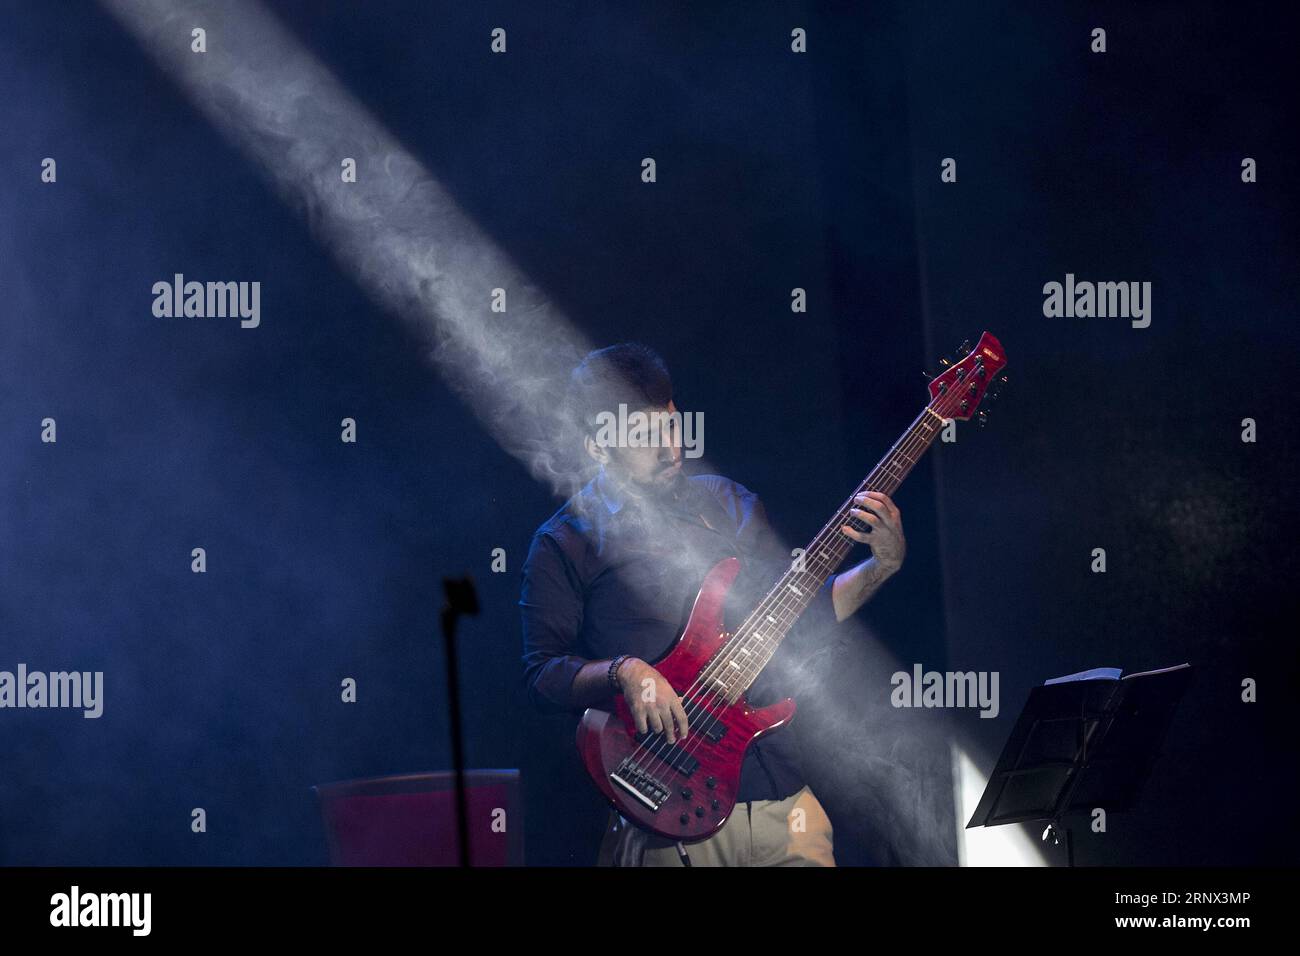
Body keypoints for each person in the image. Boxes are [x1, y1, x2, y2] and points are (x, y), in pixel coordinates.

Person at [519, 343, 904, 865]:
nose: (669, 449)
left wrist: (881, 565)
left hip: (781, 801)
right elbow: (543, 674)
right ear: (596, 445)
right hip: (665, 812)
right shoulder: (565, 541)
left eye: (671, 426)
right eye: (643, 437)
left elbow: (800, 621)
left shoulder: (730, 505)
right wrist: (624, 672)